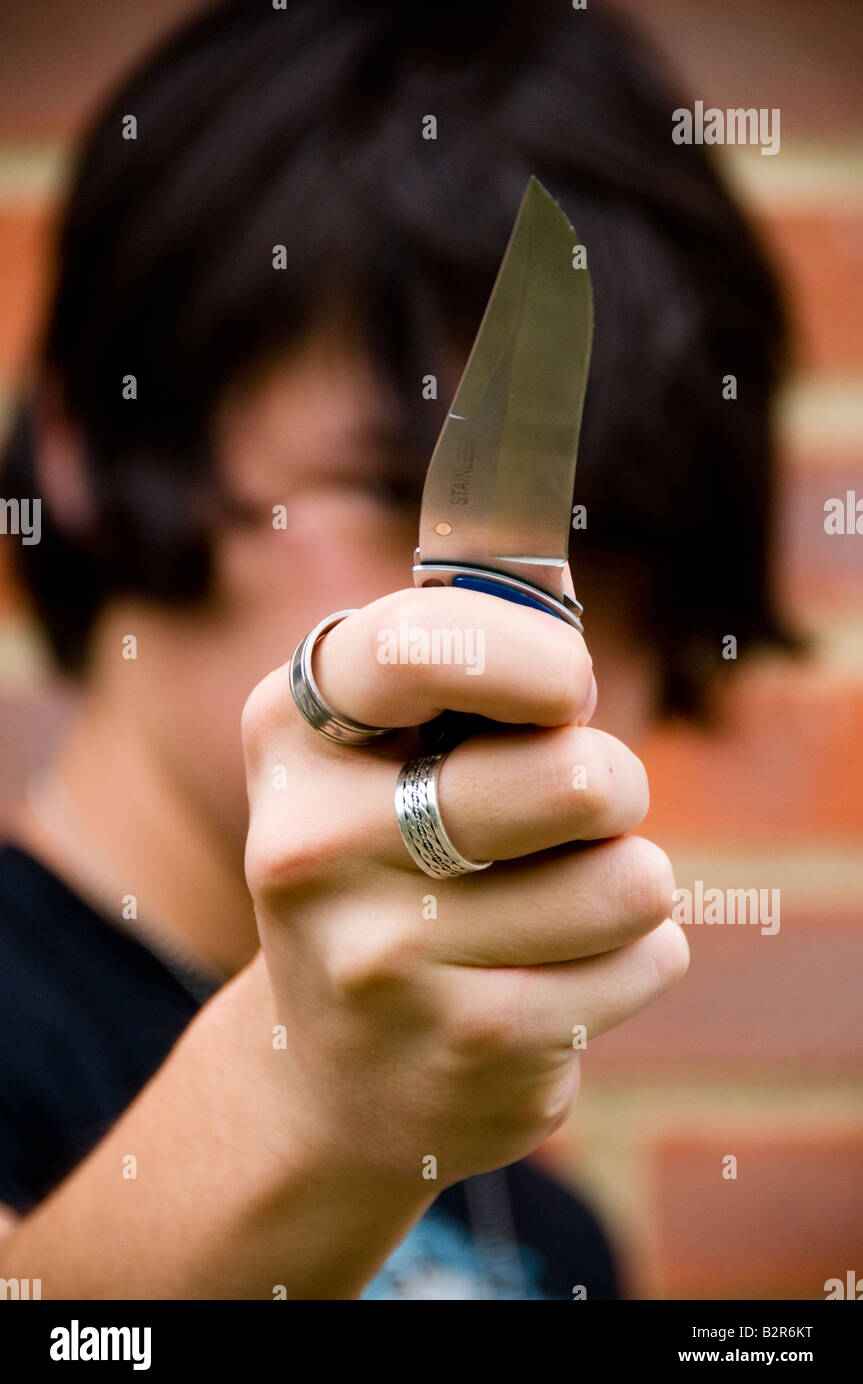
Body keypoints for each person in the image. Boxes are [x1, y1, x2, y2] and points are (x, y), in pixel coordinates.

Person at [0, 0, 789, 1298]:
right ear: (96, 445)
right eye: (388, 490)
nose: (537, 643)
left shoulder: (555, 1239)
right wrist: (306, 1099)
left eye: (627, 562)